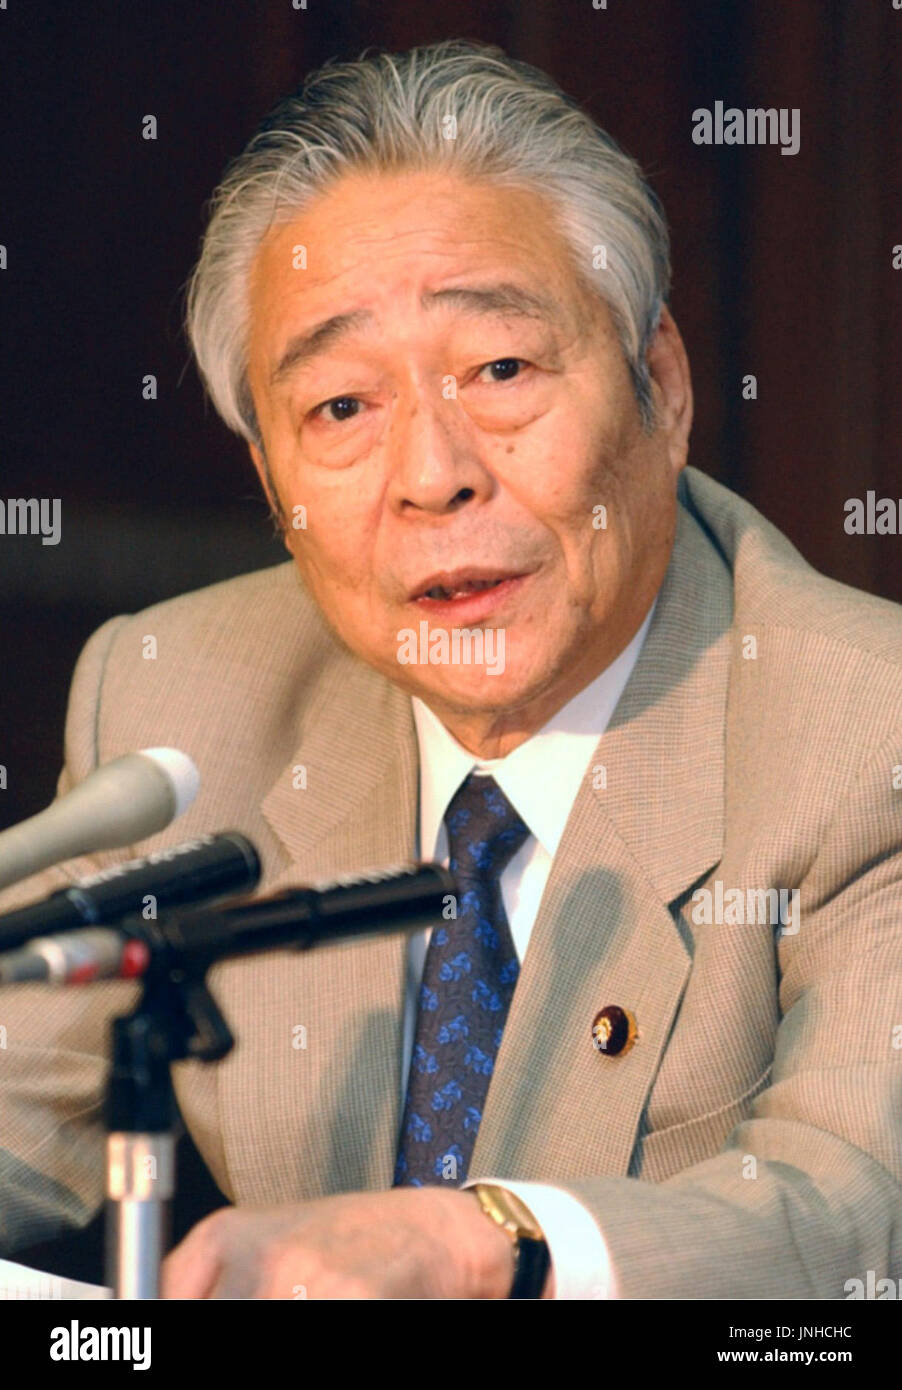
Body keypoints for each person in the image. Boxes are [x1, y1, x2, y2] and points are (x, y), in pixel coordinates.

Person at [0, 38, 900, 1300]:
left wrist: (481, 1246)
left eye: (501, 371)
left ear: (660, 386)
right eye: (341, 410)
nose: (432, 474)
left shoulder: (864, 734)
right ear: (271, 483)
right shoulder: (173, 700)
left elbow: (856, 1214)